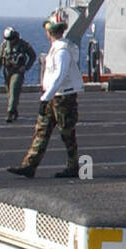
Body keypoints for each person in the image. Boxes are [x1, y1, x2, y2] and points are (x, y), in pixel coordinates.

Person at [7, 14, 83, 179]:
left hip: (63, 97)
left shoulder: (62, 51)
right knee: (41, 131)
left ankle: (73, 167)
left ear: (50, 31)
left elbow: (59, 76)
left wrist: (45, 97)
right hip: (53, 96)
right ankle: (29, 165)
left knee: (67, 134)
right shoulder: (58, 48)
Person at [0, 27, 37, 122]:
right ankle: (14, 110)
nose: (10, 41)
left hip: (18, 71)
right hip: (7, 71)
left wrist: (26, 67)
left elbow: (33, 56)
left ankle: (10, 112)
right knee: (9, 92)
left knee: (14, 89)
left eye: (11, 39)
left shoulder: (23, 45)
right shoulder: (4, 45)